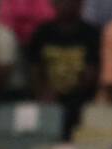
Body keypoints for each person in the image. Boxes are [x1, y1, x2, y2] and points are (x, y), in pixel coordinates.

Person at [28, 0, 102, 138]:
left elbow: (91, 76)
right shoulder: (42, 33)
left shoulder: (91, 34)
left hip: (81, 103)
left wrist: (64, 93)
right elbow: (34, 70)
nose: (66, 4)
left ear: (80, 4)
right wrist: (43, 92)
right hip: (47, 102)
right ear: (53, 3)